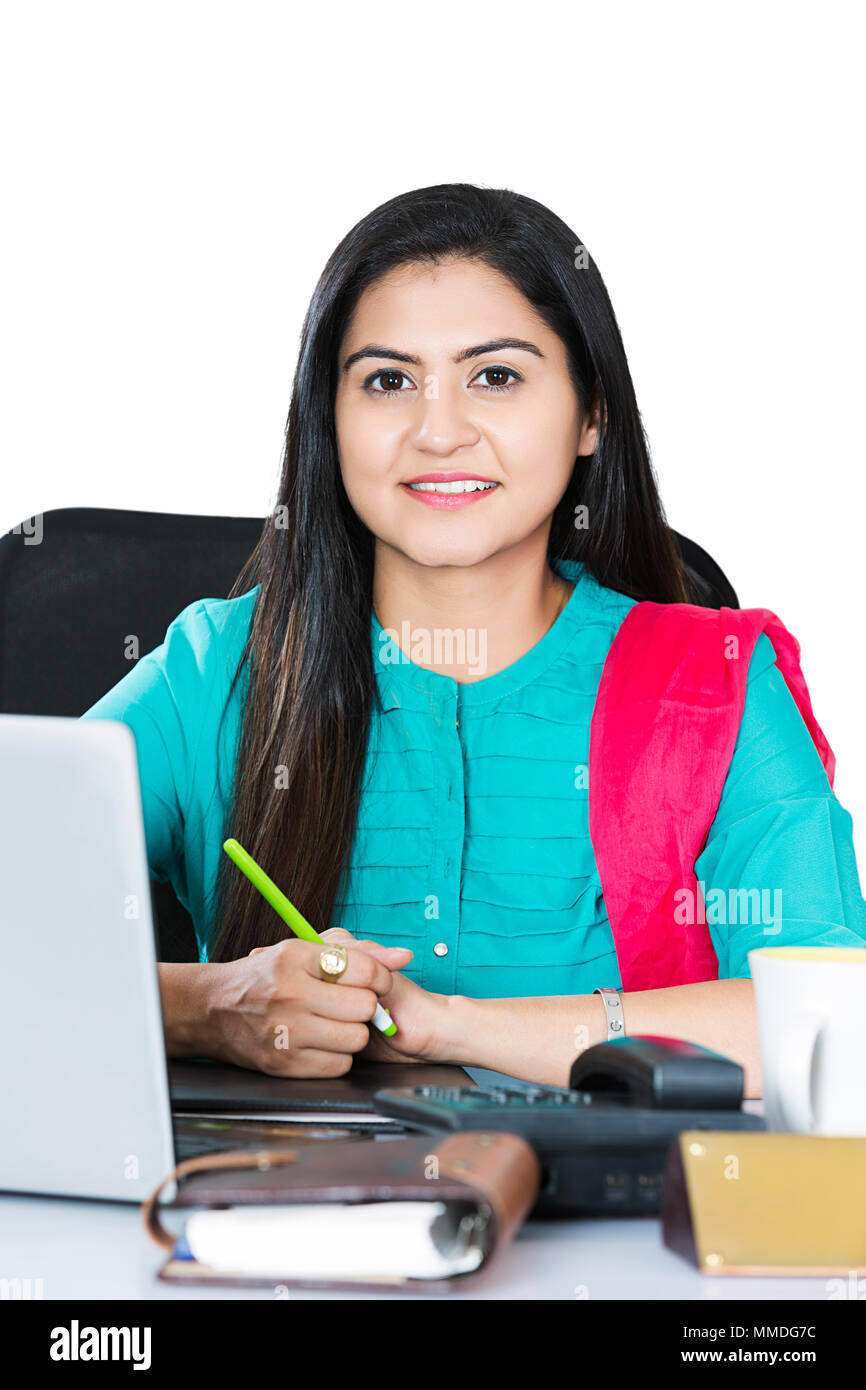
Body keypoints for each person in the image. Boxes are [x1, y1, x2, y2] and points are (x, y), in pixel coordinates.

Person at [80, 183, 866, 1095]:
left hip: (636, 1225)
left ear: (591, 415)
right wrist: (207, 1007)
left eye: (496, 376)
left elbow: (829, 1025)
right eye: (388, 381)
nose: (439, 431)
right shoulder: (213, 671)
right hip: (268, 1218)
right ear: (328, 423)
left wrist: (446, 1025)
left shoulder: (716, 685)